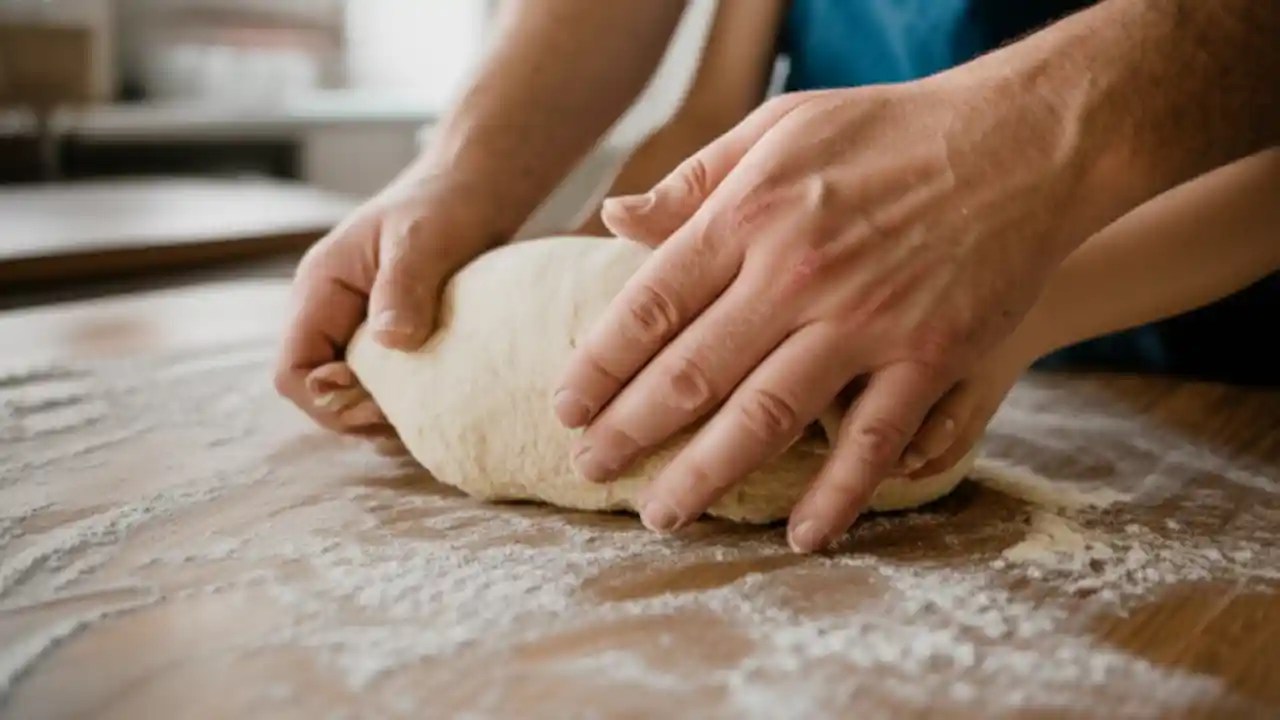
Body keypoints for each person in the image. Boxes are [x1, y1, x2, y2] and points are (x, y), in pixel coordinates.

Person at [276, 0, 1279, 553]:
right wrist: (584, 262)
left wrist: (1030, 312)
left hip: (1209, 351)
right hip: (831, 312)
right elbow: (706, 112)